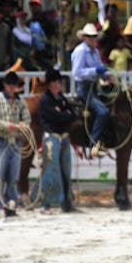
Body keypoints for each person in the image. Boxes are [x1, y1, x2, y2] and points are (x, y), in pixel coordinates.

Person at [0, 71, 31, 219]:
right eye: (9, 84)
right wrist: (8, 125)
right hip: (0, 141)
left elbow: (27, 119)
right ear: (5, 85)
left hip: (15, 143)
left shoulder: (20, 102)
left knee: (13, 177)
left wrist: (22, 125)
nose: (11, 87)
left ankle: (10, 207)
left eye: (14, 85)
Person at [38, 68, 76, 213]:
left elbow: (71, 114)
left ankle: (66, 202)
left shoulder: (61, 98)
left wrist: (63, 115)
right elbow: (59, 117)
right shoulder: (45, 100)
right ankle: (46, 203)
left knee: (66, 170)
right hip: (51, 138)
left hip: (63, 137)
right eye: (58, 82)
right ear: (52, 83)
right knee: (50, 169)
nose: (60, 84)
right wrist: (64, 115)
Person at [71, 23, 109, 159]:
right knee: (103, 112)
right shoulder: (81, 51)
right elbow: (76, 72)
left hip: (94, 87)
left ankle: (103, 140)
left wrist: (105, 74)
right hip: (83, 88)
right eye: (90, 37)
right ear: (85, 38)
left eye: (94, 37)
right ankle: (93, 142)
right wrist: (95, 71)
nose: (93, 39)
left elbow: (99, 67)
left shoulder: (95, 51)